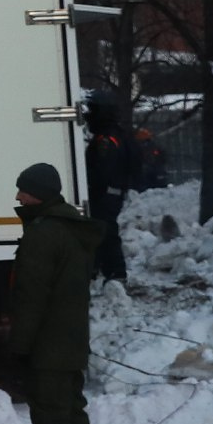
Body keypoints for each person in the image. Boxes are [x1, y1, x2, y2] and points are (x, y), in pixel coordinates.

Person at [6, 161, 101, 424]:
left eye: (23, 190)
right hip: (71, 343)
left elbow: (31, 297)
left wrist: (19, 348)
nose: (17, 196)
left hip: (47, 347)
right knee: (74, 418)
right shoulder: (71, 230)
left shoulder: (43, 234)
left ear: (39, 194)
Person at [81, 91, 134, 284]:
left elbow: (102, 170)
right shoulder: (114, 135)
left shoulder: (107, 139)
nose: (88, 116)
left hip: (105, 194)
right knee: (100, 231)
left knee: (106, 232)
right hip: (107, 193)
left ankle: (116, 273)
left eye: (93, 110)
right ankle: (101, 269)